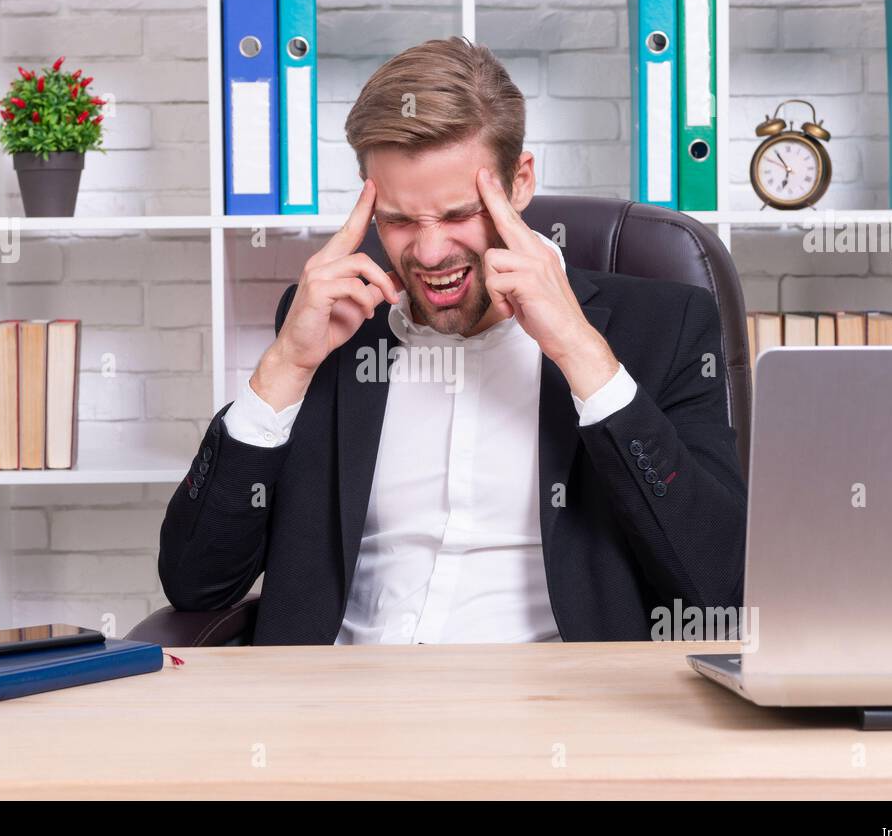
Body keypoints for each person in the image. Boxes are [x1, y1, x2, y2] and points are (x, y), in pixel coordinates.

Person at [158, 36, 746, 644]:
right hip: (337, 713)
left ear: (519, 184)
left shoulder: (663, 327)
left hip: (555, 718)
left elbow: (719, 590)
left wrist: (580, 351)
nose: (431, 252)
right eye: (399, 219)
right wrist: (286, 364)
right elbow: (196, 583)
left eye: (460, 214)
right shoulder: (333, 331)